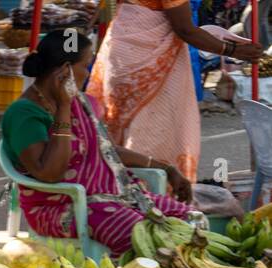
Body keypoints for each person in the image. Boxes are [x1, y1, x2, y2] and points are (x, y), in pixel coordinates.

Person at [1, 31, 197, 256]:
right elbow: (50, 173)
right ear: (65, 70)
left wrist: (166, 168)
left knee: (190, 222)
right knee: (142, 236)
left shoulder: (81, 103)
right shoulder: (24, 114)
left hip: (112, 196)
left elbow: (107, 150)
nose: (88, 72)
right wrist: (64, 109)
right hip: (60, 207)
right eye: (86, 65)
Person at [87, 0, 261, 182]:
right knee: (149, 135)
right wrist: (233, 50)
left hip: (122, 51)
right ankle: (150, 198)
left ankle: (124, 193)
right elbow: (184, 29)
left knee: (122, 132)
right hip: (147, 61)